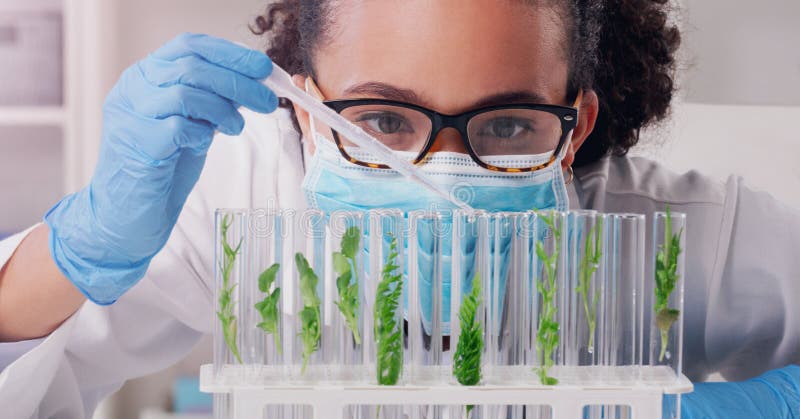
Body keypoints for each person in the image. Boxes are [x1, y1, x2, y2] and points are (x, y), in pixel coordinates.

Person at [0, 0, 798, 417]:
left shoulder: (665, 235)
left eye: (508, 124)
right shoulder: (245, 204)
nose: (439, 177)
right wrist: (80, 246)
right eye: (383, 121)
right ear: (309, 110)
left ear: (575, 123)